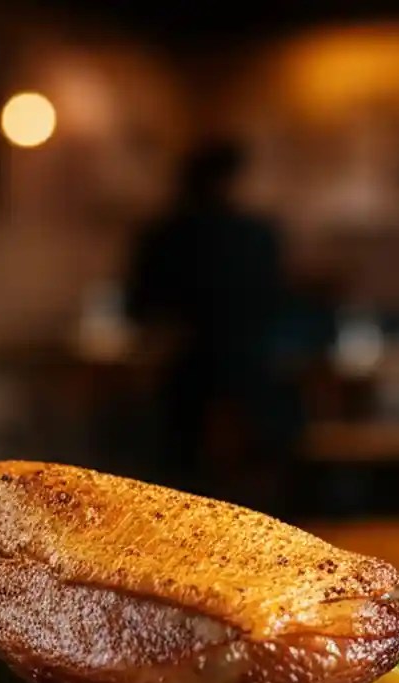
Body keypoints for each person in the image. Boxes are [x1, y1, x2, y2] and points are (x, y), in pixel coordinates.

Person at [123, 139, 293, 509]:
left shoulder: (164, 235)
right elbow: (278, 301)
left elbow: (138, 307)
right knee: (258, 479)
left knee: (181, 483)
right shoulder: (257, 235)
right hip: (247, 375)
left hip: (187, 375)